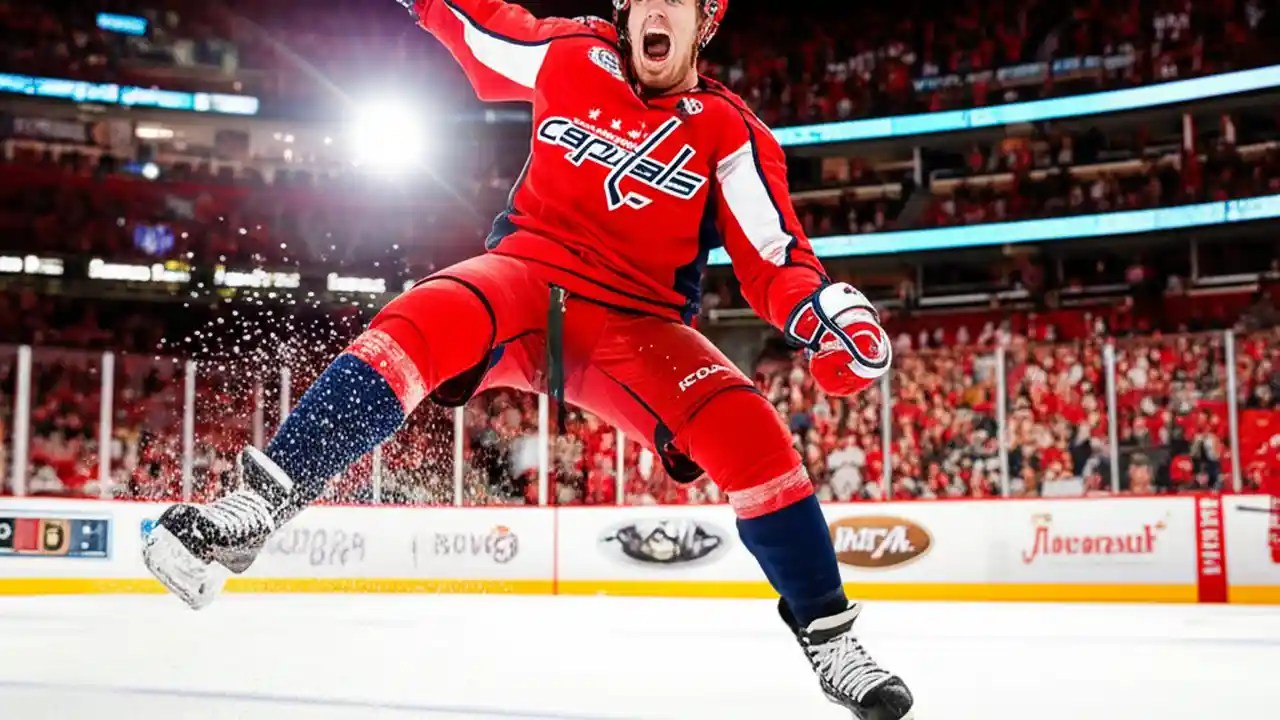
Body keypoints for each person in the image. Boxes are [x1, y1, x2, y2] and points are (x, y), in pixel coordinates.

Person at [142, 1, 914, 717]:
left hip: (637, 330)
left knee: (749, 431)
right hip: (523, 283)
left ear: (704, 21)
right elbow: (473, 24)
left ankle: (832, 639)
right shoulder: (571, 54)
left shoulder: (728, 130)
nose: (656, 7)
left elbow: (774, 261)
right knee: (416, 318)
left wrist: (825, 318)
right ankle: (255, 509)